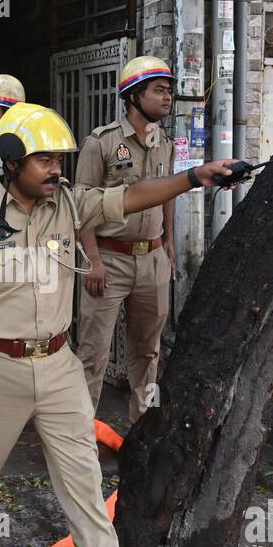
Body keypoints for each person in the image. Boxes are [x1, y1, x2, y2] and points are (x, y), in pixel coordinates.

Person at [0, 101, 238, 547]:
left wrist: (193, 177)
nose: (55, 169)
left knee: (84, 481)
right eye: (43, 160)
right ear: (10, 162)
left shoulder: (69, 206)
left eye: (58, 159)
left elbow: (132, 195)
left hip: (57, 365)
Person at [74, 56, 176, 424]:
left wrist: (169, 246)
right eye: (159, 90)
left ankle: (142, 431)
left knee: (148, 353)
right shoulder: (100, 143)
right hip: (109, 260)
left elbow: (167, 195)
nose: (167, 98)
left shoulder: (165, 143)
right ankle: (79, 438)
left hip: (152, 260)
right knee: (93, 354)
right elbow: (82, 205)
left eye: (169, 90)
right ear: (134, 96)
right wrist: (94, 261)